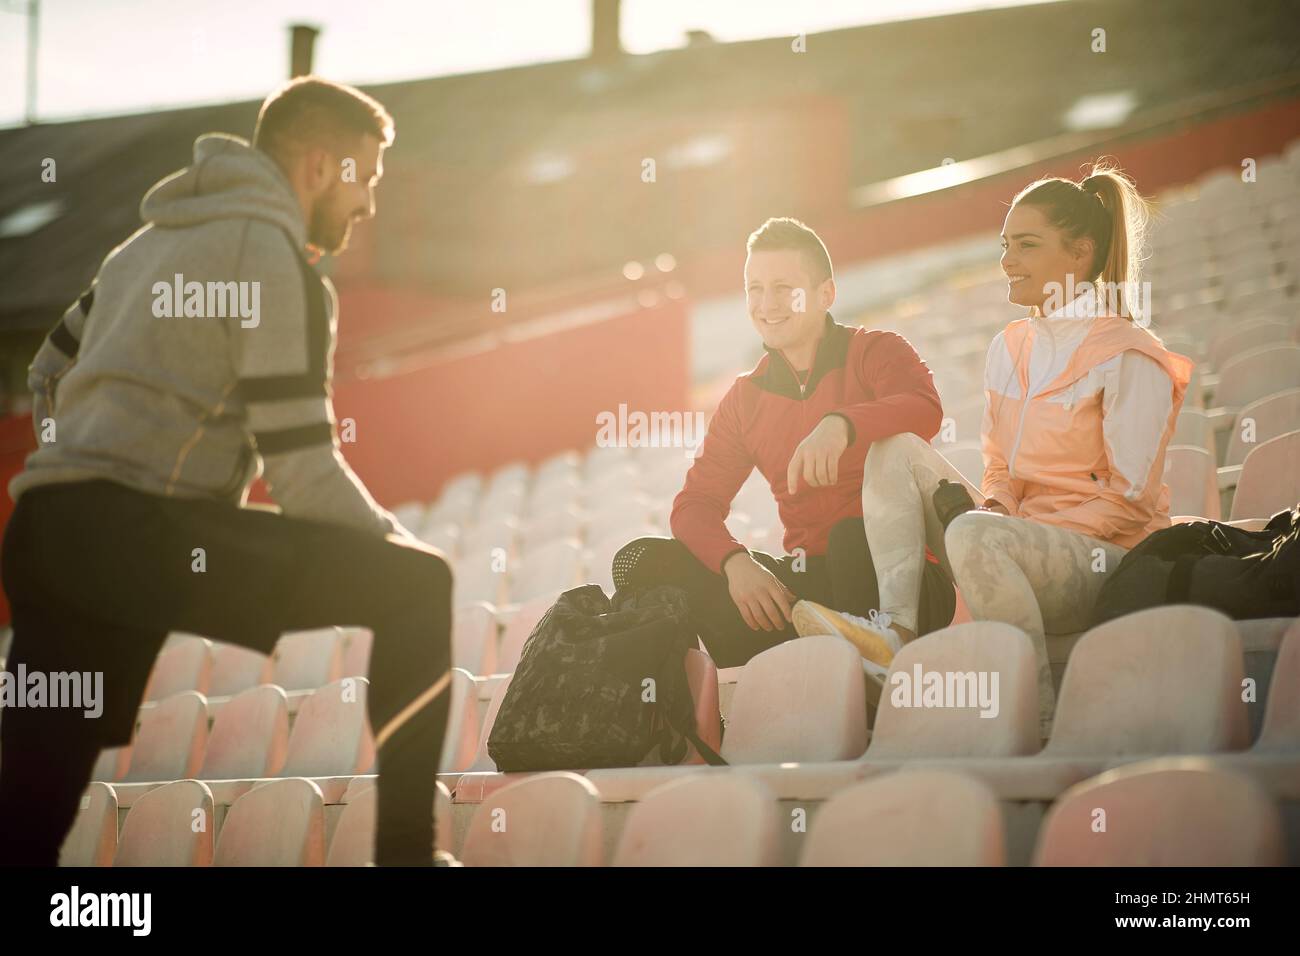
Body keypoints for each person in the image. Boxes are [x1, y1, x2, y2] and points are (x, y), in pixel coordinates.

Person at [0, 77, 457, 866]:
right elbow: (304, 471)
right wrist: (396, 545)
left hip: (46, 533)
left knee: (33, 807)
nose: (370, 203)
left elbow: (44, 370)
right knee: (421, 587)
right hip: (139, 532)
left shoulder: (139, 248)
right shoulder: (272, 256)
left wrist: (74, 456)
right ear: (318, 166)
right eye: (366, 176)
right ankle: (408, 860)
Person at [805, 163, 1193, 738]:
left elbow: (1130, 502)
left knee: (974, 532)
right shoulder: (1007, 348)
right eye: (1005, 244)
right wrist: (1003, 512)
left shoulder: (1131, 354)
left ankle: (1034, 718)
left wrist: (1019, 529)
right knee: (892, 447)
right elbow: (999, 467)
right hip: (1017, 543)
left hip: (1103, 561)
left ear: (1080, 254)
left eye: (1027, 245)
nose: (1007, 260)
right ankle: (897, 634)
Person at [614, 218, 955, 673]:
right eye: (754, 289)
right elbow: (694, 504)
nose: (765, 304)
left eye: (783, 288)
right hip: (810, 587)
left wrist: (841, 424)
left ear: (825, 294)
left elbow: (923, 408)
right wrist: (735, 563)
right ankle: (702, 711)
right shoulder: (744, 398)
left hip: (901, 583)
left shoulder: (877, 351)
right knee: (643, 561)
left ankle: (872, 671)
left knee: (851, 537)